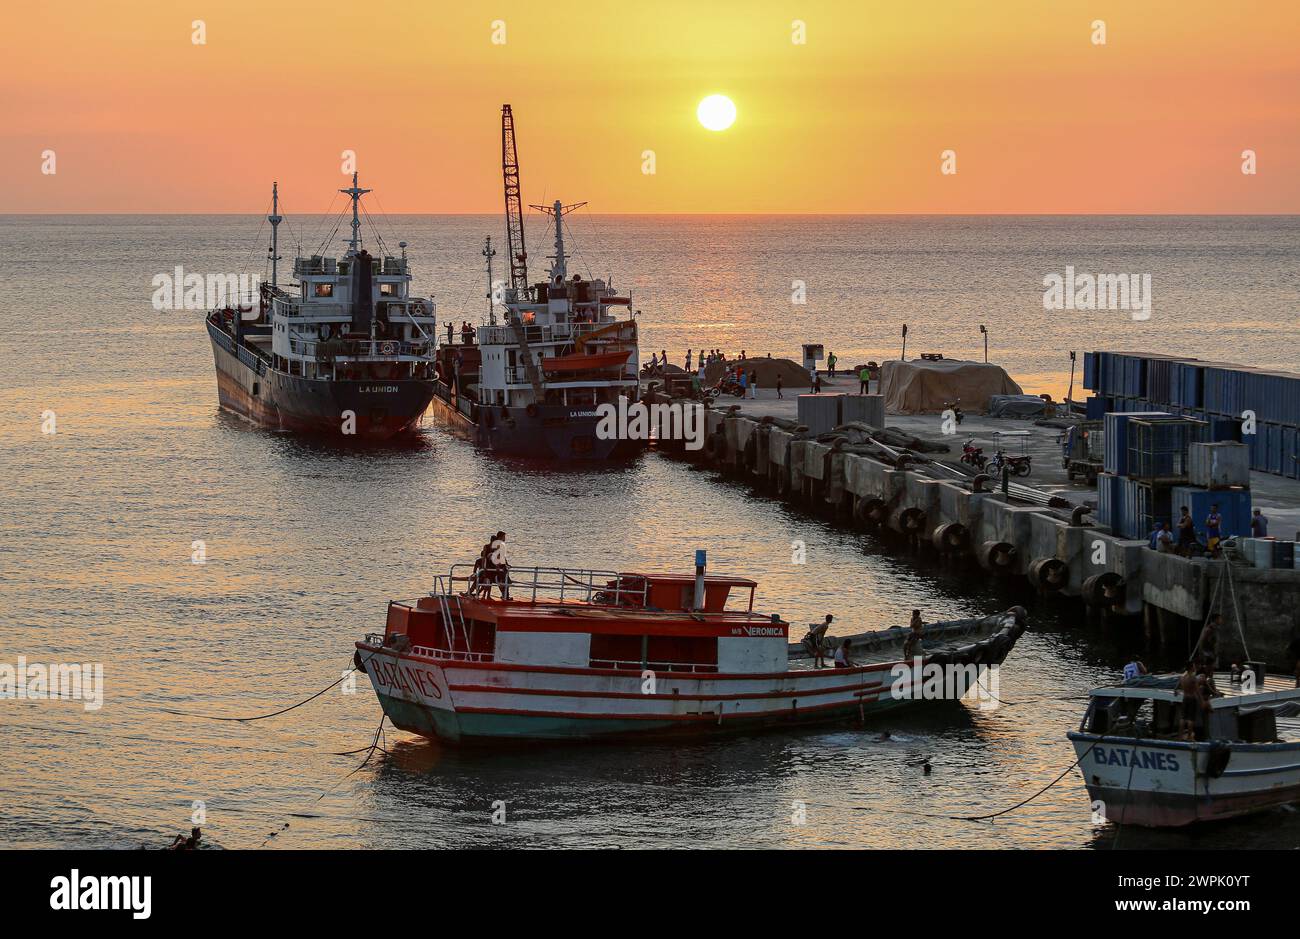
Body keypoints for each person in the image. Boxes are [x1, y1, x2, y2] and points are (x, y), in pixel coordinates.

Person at [1176, 660, 1201, 740]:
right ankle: (1190, 737)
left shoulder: (1182, 676)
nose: (1195, 667)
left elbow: (1177, 687)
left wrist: (1175, 690)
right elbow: (1197, 690)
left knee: (1183, 718)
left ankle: (1180, 736)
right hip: (1192, 698)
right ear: (1191, 667)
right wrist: (1202, 701)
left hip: (1185, 698)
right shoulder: (1192, 677)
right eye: (1193, 666)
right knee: (1191, 719)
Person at [488, 531, 509, 600]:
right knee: (501, 581)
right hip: (498, 565)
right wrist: (497, 565)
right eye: (504, 537)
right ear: (500, 537)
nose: (505, 538)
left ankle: (506, 595)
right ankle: (504, 595)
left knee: (506, 581)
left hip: (502, 564)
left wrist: (506, 563)